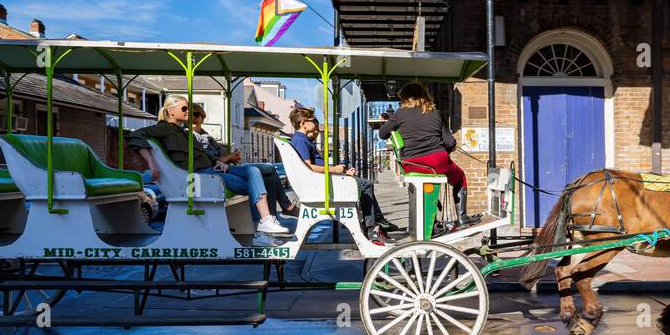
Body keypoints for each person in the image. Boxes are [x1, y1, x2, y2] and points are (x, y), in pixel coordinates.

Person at [127, 96, 286, 234]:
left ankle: (266, 221)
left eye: (189, 108)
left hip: (212, 169)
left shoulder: (184, 132)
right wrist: (151, 161)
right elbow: (134, 135)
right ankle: (263, 225)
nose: (188, 111)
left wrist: (218, 161)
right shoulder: (163, 128)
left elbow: (205, 155)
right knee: (255, 182)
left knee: (254, 171)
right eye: (184, 108)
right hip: (200, 176)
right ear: (170, 111)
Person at [287, 107, 399, 237]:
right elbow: (309, 167)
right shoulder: (301, 141)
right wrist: (335, 170)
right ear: (303, 123)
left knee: (363, 183)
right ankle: (372, 225)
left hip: (321, 180)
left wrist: (342, 174)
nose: (315, 123)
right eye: (312, 120)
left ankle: (376, 220)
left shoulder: (303, 140)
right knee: (365, 184)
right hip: (319, 183)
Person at [378, 82, 479, 226]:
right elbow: (450, 142)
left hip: (411, 165)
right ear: (425, 96)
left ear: (405, 98)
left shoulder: (400, 114)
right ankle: (462, 217)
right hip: (437, 162)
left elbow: (382, 134)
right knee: (460, 177)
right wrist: (448, 150)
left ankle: (426, 223)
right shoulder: (435, 113)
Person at [190, 105, 296, 216]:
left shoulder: (208, 137)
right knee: (256, 174)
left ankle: (273, 218)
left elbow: (222, 155)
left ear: (203, 118)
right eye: (191, 115)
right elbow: (208, 159)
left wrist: (232, 157)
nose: (193, 118)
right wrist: (229, 157)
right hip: (213, 169)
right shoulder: (190, 136)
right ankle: (282, 210)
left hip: (225, 167)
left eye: (197, 115)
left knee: (270, 170)